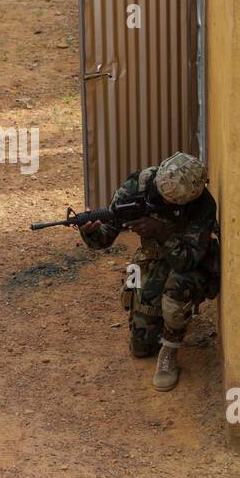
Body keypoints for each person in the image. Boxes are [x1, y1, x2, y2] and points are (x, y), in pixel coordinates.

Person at [78, 152, 219, 392]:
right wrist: (90, 232)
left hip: (193, 264)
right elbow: (103, 240)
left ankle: (170, 349)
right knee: (141, 347)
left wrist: (161, 232)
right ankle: (166, 319)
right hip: (154, 258)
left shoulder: (203, 205)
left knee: (175, 294)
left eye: (173, 203)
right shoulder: (137, 188)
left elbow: (187, 260)